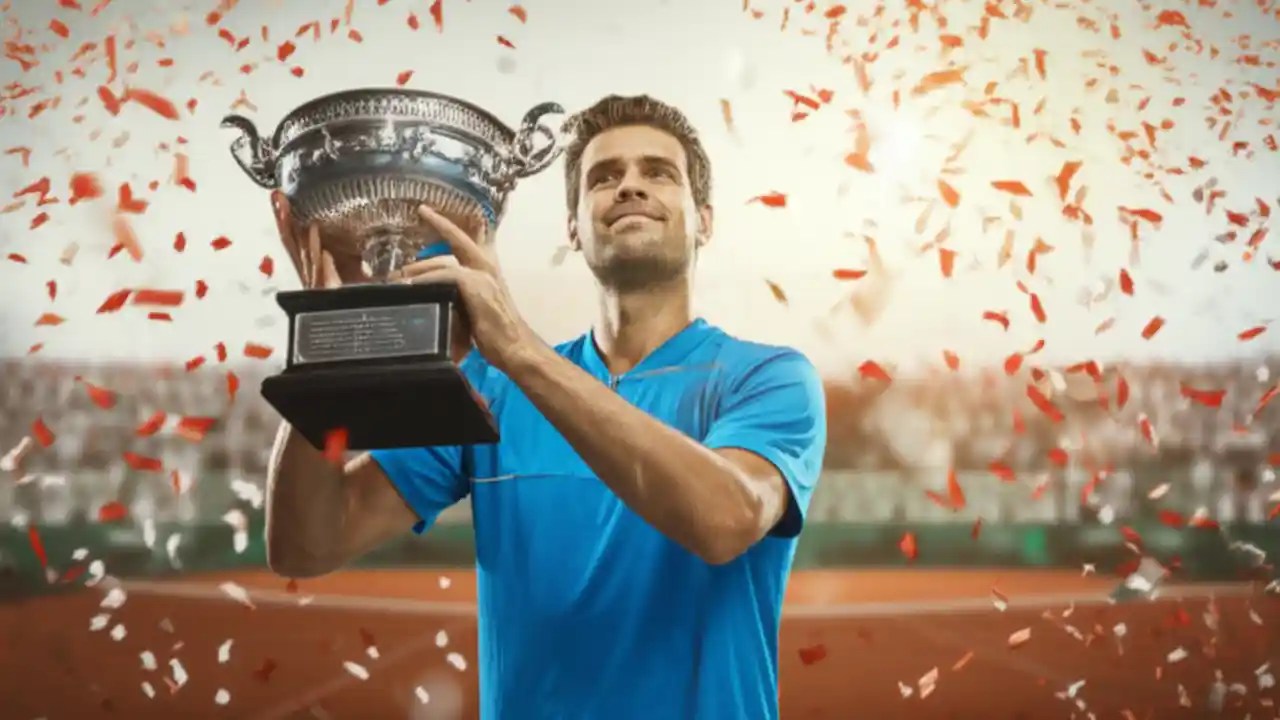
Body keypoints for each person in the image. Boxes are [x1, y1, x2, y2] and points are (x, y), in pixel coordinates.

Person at [264, 94, 828, 720]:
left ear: (704, 219)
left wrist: (521, 351)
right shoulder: (494, 387)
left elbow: (725, 519)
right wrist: (330, 352)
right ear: (573, 227)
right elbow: (305, 544)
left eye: (658, 173)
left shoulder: (768, 377)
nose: (630, 188)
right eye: (604, 178)